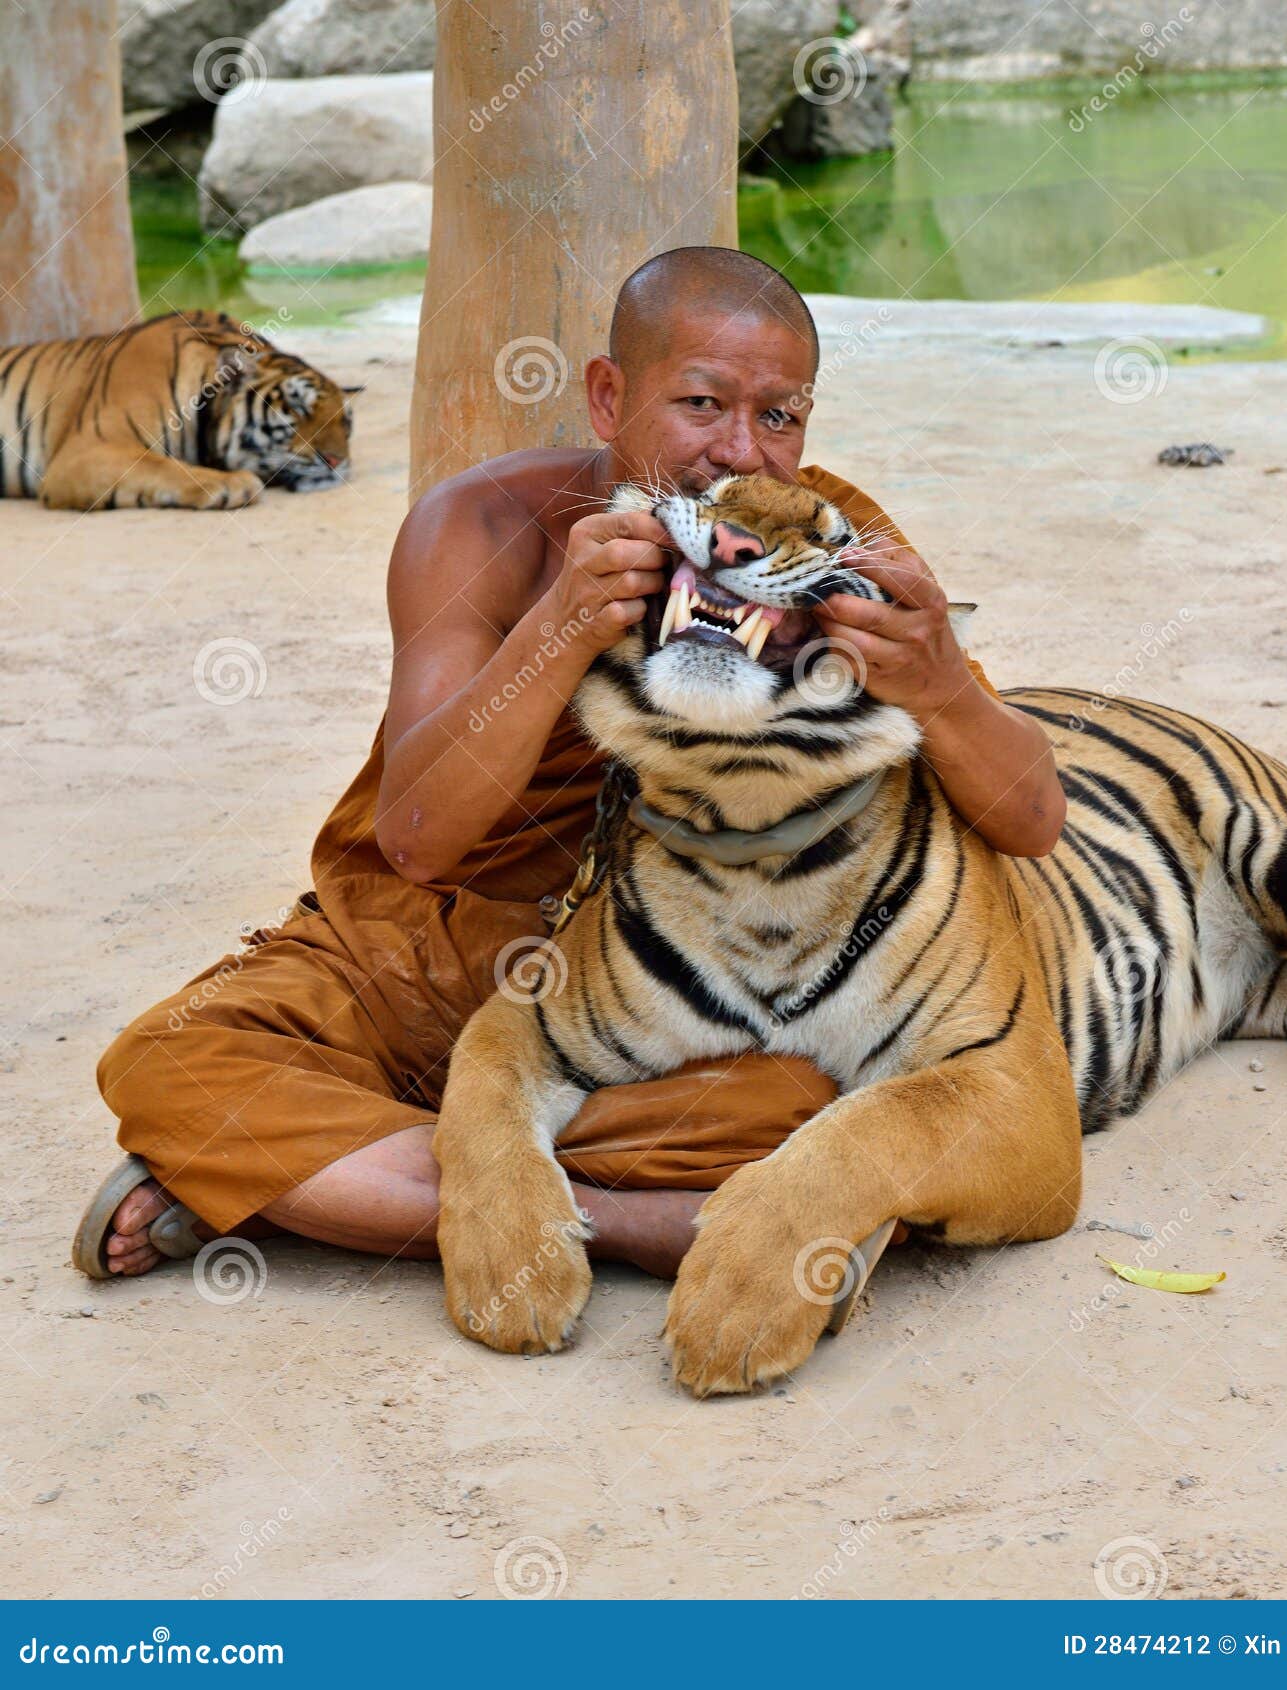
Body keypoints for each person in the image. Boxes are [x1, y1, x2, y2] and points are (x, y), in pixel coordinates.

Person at [77, 247, 1065, 1283]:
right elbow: (417, 839)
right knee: (169, 1063)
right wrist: (559, 628)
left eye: (779, 417)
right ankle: (622, 1219)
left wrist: (945, 684)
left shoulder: (816, 539)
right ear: (608, 396)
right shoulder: (480, 525)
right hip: (408, 949)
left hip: (628, 981)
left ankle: (334, 1180)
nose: (741, 454)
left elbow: (1033, 818)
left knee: (801, 1104)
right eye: (701, 404)